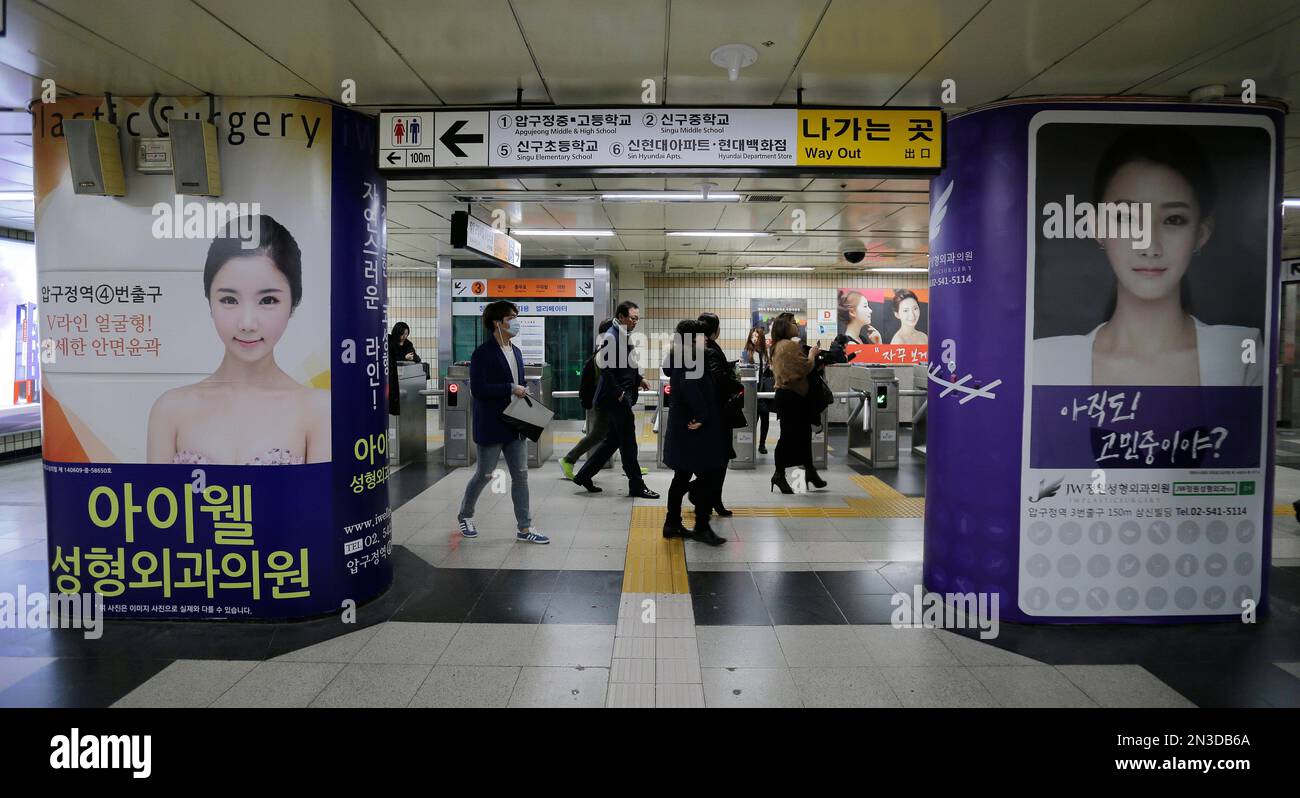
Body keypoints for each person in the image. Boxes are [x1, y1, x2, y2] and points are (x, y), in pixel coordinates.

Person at [1034, 127, 1262, 386]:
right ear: (1097, 227)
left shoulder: (1241, 354)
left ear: (1201, 233)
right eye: (1128, 219)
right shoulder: (1048, 360)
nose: (1150, 246)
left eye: (1173, 220)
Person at [147, 214, 328, 465]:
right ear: (210, 302)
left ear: (293, 304)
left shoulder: (319, 410)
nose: (247, 324)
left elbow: (320, 503)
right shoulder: (170, 410)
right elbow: (159, 502)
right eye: (229, 300)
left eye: (268, 300)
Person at [455, 300, 549, 544]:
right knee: (485, 474)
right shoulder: (482, 354)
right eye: (512, 318)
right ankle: (465, 515)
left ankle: (525, 528)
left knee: (521, 476)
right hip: (491, 423)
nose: (516, 322)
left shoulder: (515, 351)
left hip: (515, 423)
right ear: (498, 323)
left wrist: (521, 388)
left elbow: (517, 381)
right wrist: (510, 387)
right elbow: (478, 389)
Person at [572, 300, 660, 499]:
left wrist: (639, 378)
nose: (635, 322)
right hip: (616, 398)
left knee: (613, 441)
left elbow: (626, 365)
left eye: (637, 318)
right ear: (620, 316)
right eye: (632, 318)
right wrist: (618, 392)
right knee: (629, 442)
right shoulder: (611, 336)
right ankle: (637, 485)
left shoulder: (622, 334)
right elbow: (606, 369)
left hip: (620, 395)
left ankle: (584, 475)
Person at [559, 318, 648, 480]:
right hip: (608, 403)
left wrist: (638, 379)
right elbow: (610, 377)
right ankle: (569, 459)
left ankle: (630, 466)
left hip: (612, 402)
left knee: (616, 435)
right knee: (601, 435)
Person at [662, 320, 726, 545]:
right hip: (693, 426)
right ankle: (700, 525)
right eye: (701, 335)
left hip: (683, 425)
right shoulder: (690, 356)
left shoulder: (679, 354)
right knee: (708, 475)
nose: (706, 338)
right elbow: (691, 389)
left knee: (682, 476)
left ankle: (673, 523)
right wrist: (702, 416)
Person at [770, 316, 826, 494]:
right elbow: (803, 367)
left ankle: (810, 471)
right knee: (788, 437)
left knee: (802, 435)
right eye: (793, 323)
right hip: (791, 397)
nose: (797, 325)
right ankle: (779, 474)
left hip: (790, 397)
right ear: (785, 327)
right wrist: (812, 354)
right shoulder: (788, 345)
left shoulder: (780, 345)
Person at [696, 312, 739, 517]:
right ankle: (709, 498)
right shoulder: (711, 349)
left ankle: (706, 496)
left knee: (713, 458)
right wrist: (735, 383)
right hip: (718, 413)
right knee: (719, 458)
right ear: (715, 330)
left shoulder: (697, 348)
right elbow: (717, 379)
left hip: (707, 412)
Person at [741, 325, 772, 454]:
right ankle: (750, 443)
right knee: (752, 419)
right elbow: (742, 370)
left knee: (765, 418)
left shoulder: (766, 353)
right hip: (751, 390)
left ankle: (762, 444)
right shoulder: (747, 351)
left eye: (758, 336)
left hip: (763, 391)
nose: (755, 338)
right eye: (753, 335)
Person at [387, 321, 421, 416]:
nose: (404, 336)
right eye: (402, 334)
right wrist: (404, 357)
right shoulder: (390, 341)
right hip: (391, 376)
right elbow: (390, 358)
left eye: (406, 334)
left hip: (404, 377)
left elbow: (416, 358)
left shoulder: (408, 344)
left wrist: (412, 357)